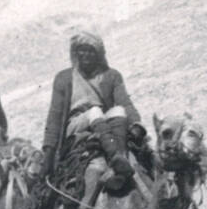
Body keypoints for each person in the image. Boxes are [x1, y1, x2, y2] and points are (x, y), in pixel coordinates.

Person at [41, 31, 143, 196]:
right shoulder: (64, 78)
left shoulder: (112, 76)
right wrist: (49, 151)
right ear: (76, 52)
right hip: (76, 126)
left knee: (119, 110)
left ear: (99, 54)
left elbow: (125, 103)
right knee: (94, 111)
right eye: (82, 50)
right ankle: (115, 156)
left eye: (91, 51)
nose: (86, 54)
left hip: (102, 122)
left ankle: (120, 162)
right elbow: (54, 116)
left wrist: (136, 123)